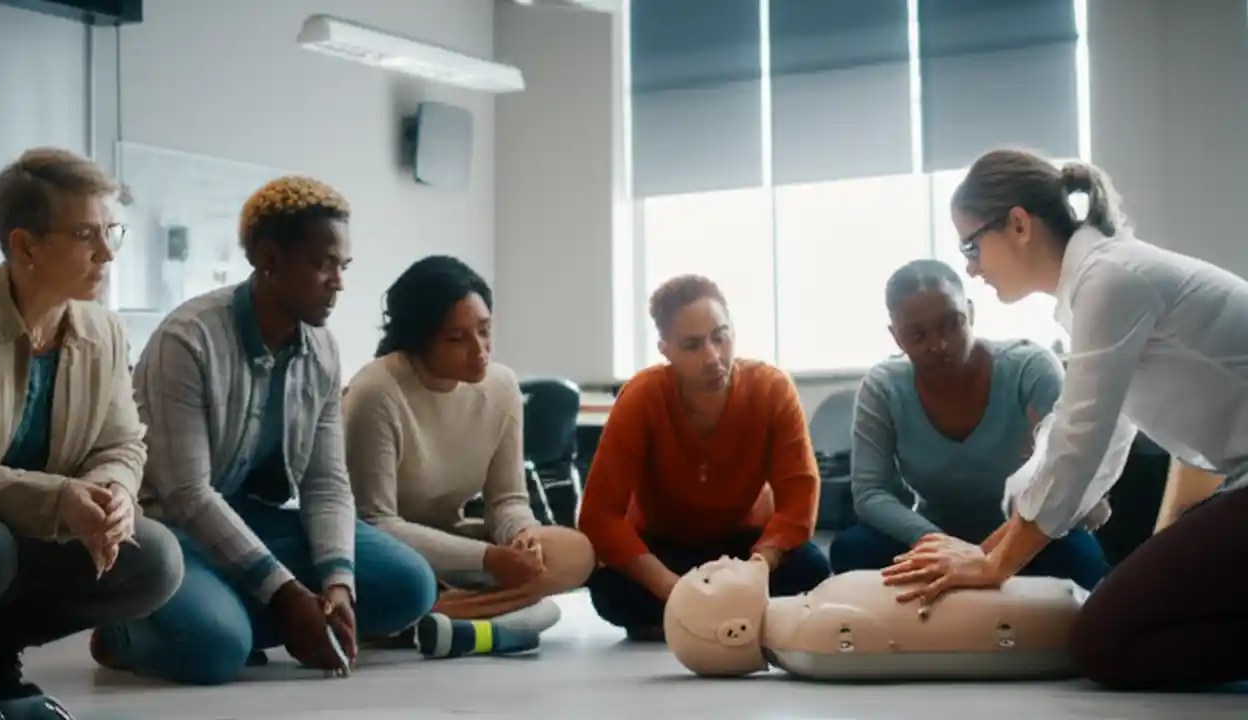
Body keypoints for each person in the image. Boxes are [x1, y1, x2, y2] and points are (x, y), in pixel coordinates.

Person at [881, 148, 1248, 690]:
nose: (971, 268)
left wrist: (993, 565)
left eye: (971, 245)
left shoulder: (1111, 279)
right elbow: (1102, 439)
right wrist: (986, 552)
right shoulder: (1099, 285)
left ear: (1019, 224)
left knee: (1103, 644)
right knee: (1114, 629)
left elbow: (1080, 440)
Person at [93, 176, 437, 685]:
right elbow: (187, 495)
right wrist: (286, 593)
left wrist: (337, 584)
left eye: (343, 266)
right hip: (170, 529)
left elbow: (325, 483)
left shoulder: (322, 348)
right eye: (323, 265)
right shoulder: (187, 340)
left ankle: (230, 612)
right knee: (216, 650)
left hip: (253, 521)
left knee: (411, 584)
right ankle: (125, 629)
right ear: (269, 259)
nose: (338, 283)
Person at [0, 148, 182, 717]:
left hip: (37, 530)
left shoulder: (103, 329)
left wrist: (112, 492)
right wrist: (57, 499)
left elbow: (122, 442)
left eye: (111, 231)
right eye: (86, 234)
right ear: (25, 246)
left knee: (153, 559)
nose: (108, 252)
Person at [343, 255, 594, 644]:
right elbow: (376, 522)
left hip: (453, 539)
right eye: (456, 339)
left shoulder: (501, 385)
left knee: (575, 552)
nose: (480, 350)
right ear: (419, 339)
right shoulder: (376, 393)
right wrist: (488, 559)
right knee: (405, 576)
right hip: (389, 551)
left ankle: (439, 617)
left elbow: (507, 500)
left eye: (484, 330)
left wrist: (523, 538)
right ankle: (487, 613)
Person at [830, 259, 1110, 592]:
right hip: (933, 532)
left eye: (951, 324)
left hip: (1023, 531)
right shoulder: (884, 387)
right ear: (896, 337)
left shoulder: (1030, 369)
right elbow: (870, 493)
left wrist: (987, 554)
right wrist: (938, 544)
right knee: (852, 549)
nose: (938, 345)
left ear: (972, 313)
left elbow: (1066, 475)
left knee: (1081, 560)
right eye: (917, 335)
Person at [578, 274, 830, 640]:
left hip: (747, 545)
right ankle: (716, 614)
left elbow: (799, 496)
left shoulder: (772, 389)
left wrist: (757, 568)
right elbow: (599, 514)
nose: (712, 357)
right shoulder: (642, 396)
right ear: (666, 349)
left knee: (812, 569)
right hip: (666, 549)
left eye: (720, 337)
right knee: (610, 591)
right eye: (692, 345)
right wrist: (671, 588)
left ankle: (711, 614)